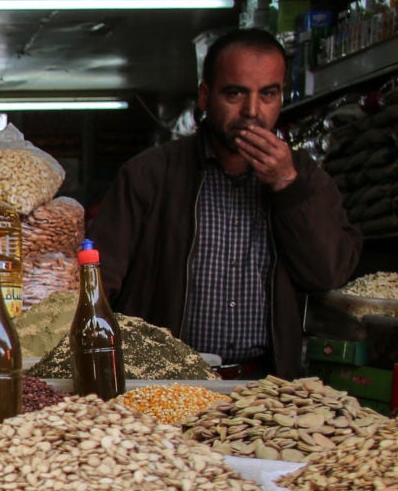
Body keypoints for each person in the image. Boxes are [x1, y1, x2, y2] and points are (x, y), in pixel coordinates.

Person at [91, 28, 359, 379]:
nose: (252, 111)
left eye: (268, 94)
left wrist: (286, 187)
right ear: (205, 97)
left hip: (266, 388)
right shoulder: (150, 174)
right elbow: (96, 281)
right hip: (165, 384)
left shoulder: (304, 178)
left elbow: (328, 273)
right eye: (235, 94)